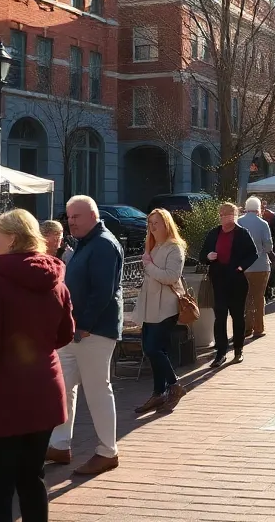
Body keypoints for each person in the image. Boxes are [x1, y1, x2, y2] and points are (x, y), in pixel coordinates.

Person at [0, 209, 74, 522]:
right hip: (45, 390)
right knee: (32, 479)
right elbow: (66, 334)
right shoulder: (57, 281)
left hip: (2, 397)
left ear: (12, 239)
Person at [47, 195, 124, 476]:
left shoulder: (103, 244)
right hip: (76, 330)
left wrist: (85, 324)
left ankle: (107, 451)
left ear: (92, 215)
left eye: (76, 217)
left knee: (97, 390)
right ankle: (59, 443)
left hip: (92, 331)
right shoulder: (88, 243)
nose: (71, 222)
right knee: (63, 386)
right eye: (68, 217)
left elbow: (103, 291)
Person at [133, 208, 187, 413]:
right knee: (153, 350)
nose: (152, 227)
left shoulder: (175, 247)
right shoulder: (154, 247)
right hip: (150, 307)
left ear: (166, 224)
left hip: (166, 307)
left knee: (153, 349)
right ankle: (159, 393)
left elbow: (171, 277)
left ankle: (173, 385)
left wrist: (149, 266)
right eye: (150, 223)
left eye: (156, 223)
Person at [203, 202, 258, 367]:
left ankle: (238, 350)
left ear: (234, 215)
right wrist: (208, 256)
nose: (223, 217)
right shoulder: (214, 233)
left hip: (236, 281)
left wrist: (241, 267)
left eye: (227, 214)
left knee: (237, 316)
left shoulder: (242, 233)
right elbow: (202, 254)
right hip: (218, 281)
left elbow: (253, 254)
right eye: (221, 214)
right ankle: (220, 353)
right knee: (219, 317)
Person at [237, 197, 274, 338]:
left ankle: (247, 327)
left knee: (246, 298)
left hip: (244, 267)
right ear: (258, 209)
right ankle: (259, 328)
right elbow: (269, 246)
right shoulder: (263, 224)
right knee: (259, 297)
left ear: (246, 208)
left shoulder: (238, 222)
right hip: (261, 265)